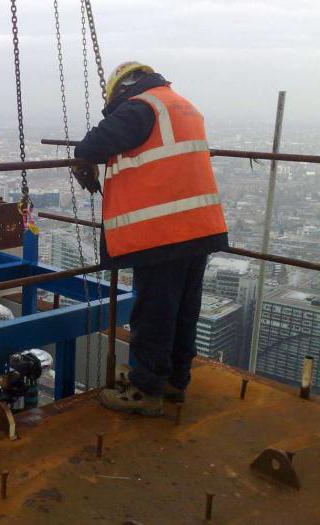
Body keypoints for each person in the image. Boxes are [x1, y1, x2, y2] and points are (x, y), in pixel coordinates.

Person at [72, 61, 228, 416]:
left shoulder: (142, 106)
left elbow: (95, 143)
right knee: (184, 309)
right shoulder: (182, 105)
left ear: (123, 89)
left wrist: (83, 158)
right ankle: (175, 383)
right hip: (199, 226)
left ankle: (146, 391)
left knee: (155, 312)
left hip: (164, 231)